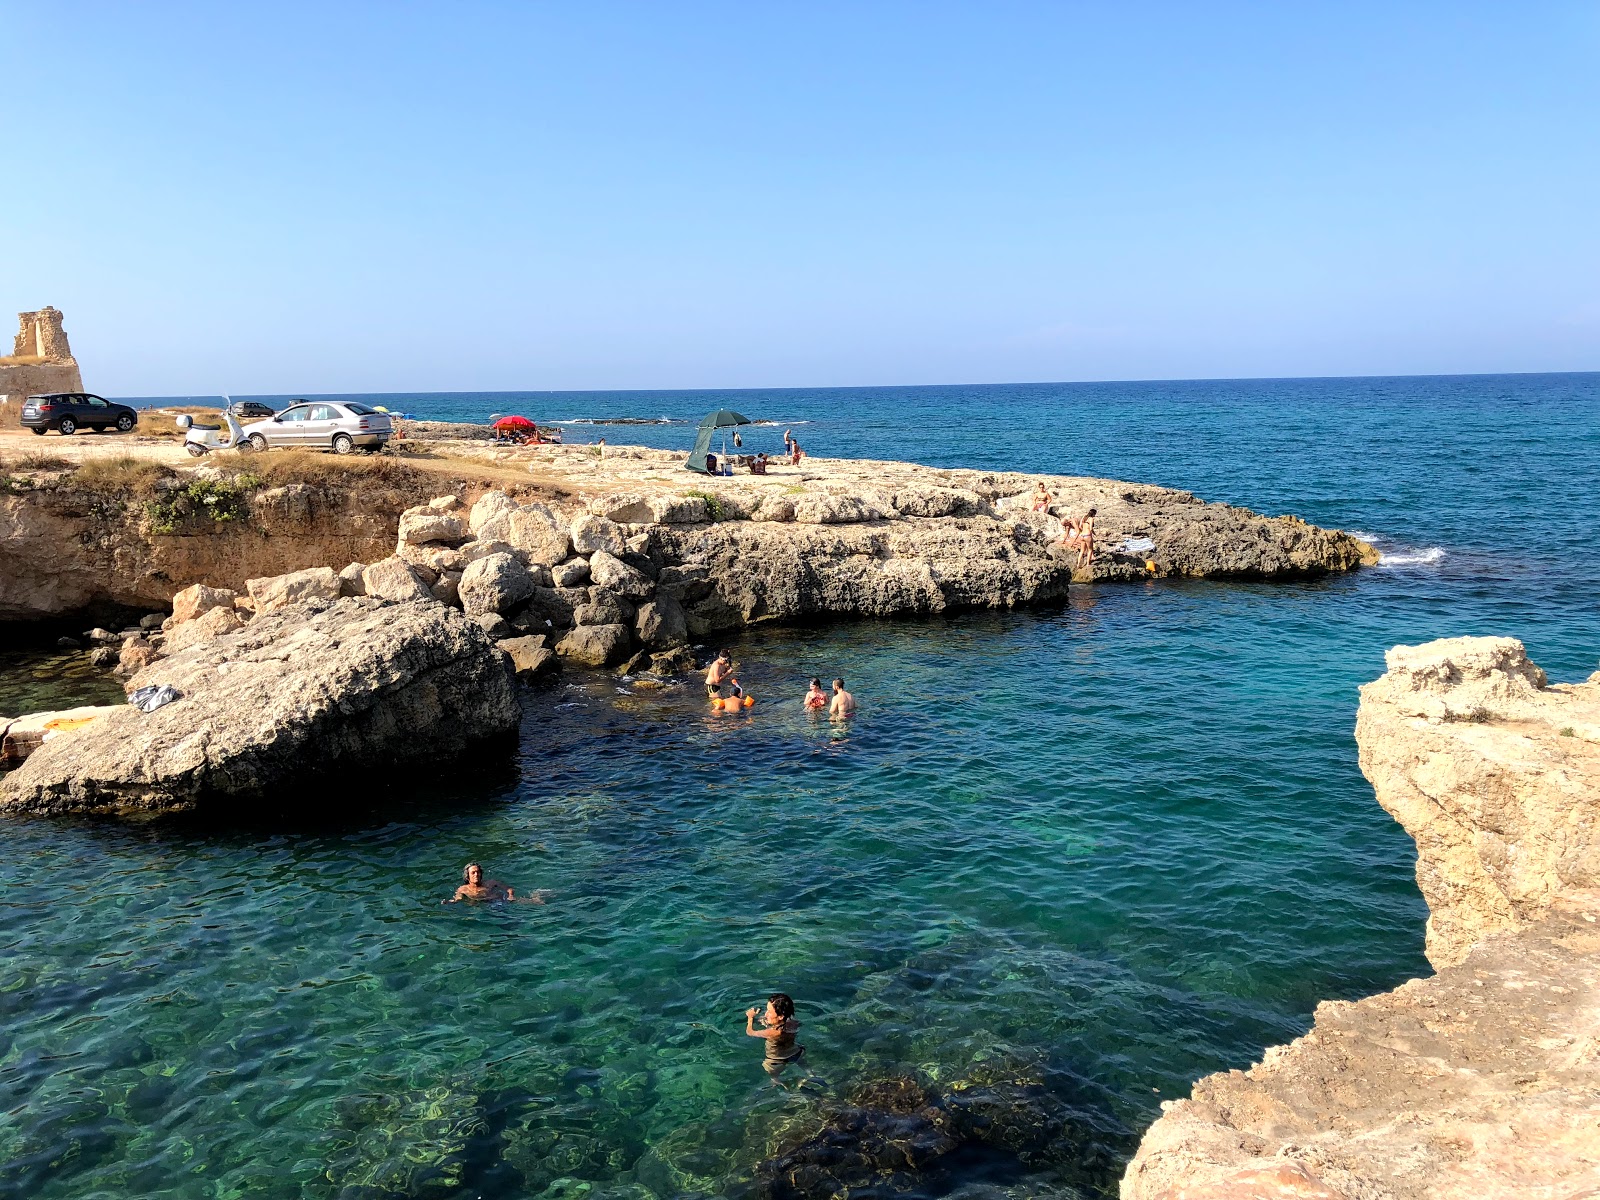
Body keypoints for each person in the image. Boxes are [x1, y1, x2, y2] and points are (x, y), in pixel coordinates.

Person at [746, 992, 804, 1078]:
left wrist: (750, 1018)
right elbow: (780, 1025)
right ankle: (811, 1075)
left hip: (775, 1060)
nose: (766, 1014)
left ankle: (776, 1082)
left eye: (769, 1012)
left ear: (780, 1016)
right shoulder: (793, 1023)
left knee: (773, 1076)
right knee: (808, 1070)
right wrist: (766, 1021)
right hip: (796, 1052)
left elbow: (750, 1032)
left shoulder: (771, 1033)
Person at [450, 862, 515, 902]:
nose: (476, 874)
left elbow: (508, 889)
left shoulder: (490, 883)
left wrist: (510, 896)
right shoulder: (463, 889)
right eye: (473, 873)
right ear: (467, 876)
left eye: (478, 872)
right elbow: (457, 899)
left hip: (496, 902)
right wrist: (450, 902)